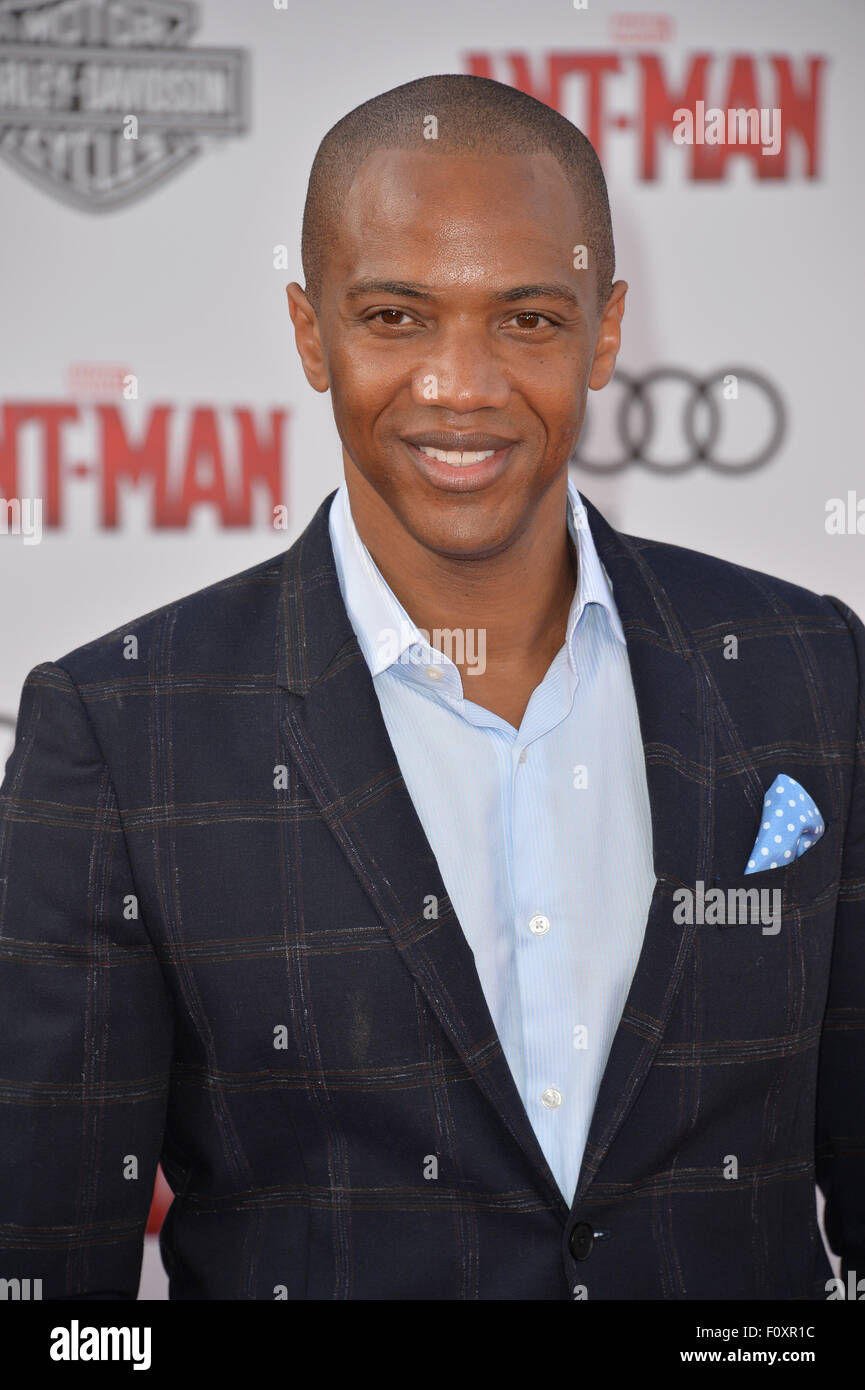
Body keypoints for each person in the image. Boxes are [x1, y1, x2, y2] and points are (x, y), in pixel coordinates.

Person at [0, 74, 862, 1301]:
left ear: (606, 331)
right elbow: (46, 1286)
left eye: (526, 320)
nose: (461, 387)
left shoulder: (805, 669)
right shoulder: (126, 732)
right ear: (310, 333)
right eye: (398, 317)